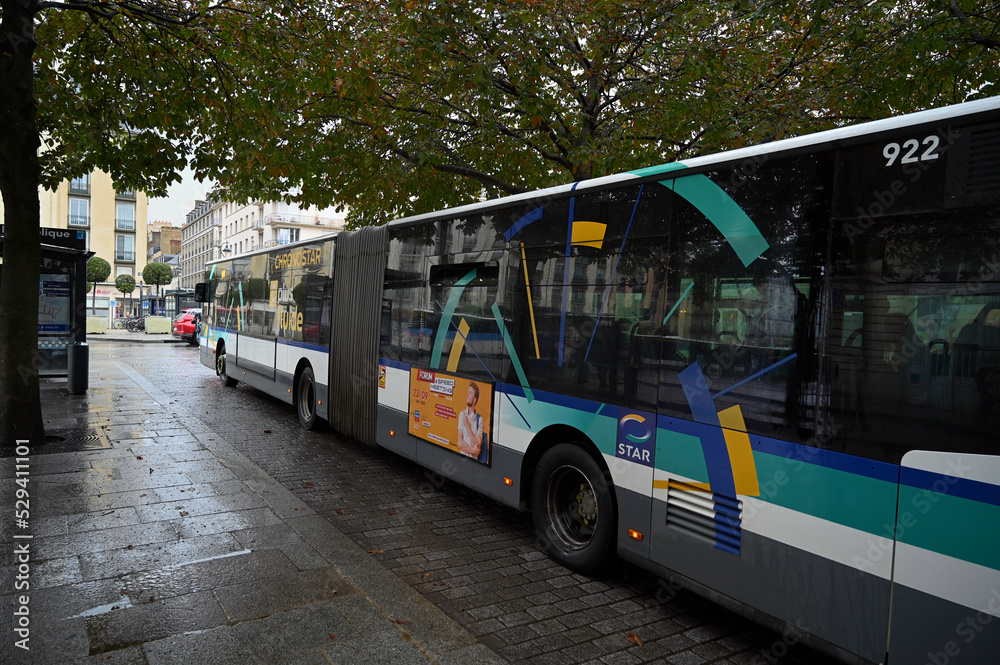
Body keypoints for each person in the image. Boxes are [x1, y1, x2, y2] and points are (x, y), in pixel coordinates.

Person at [457, 382, 484, 459]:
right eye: (467, 393)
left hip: (474, 461)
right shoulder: (462, 415)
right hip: (462, 457)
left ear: (474, 400)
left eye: (470, 393)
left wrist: (467, 426)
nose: (467, 395)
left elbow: (477, 445)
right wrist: (472, 451)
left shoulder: (480, 420)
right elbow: (460, 442)